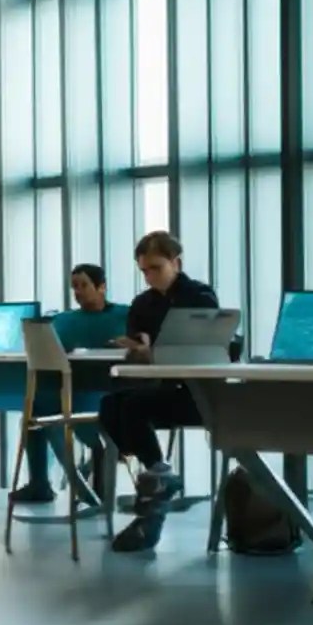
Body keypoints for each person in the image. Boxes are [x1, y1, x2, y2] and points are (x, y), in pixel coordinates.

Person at [98, 232, 219, 552]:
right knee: (110, 405)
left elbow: (205, 351)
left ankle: (155, 479)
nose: (150, 276)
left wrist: (155, 353)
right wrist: (140, 352)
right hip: (161, 388)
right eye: (144, 271)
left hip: (196, 393)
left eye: (155, 268)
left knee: (133, 407)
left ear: (176, 263)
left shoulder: (200, 298)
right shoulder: (142, 304)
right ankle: (158, 474)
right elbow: (142, 353)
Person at [10, 264, 129, 504]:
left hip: (111, 387)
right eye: (74, 287)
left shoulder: (126, 315)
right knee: (35, 405)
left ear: (102, 287)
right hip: (72, 386)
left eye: (84, 285)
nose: (78, 292)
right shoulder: (62, 320)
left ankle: (63, 486)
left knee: (41, 407)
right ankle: (40, 482)